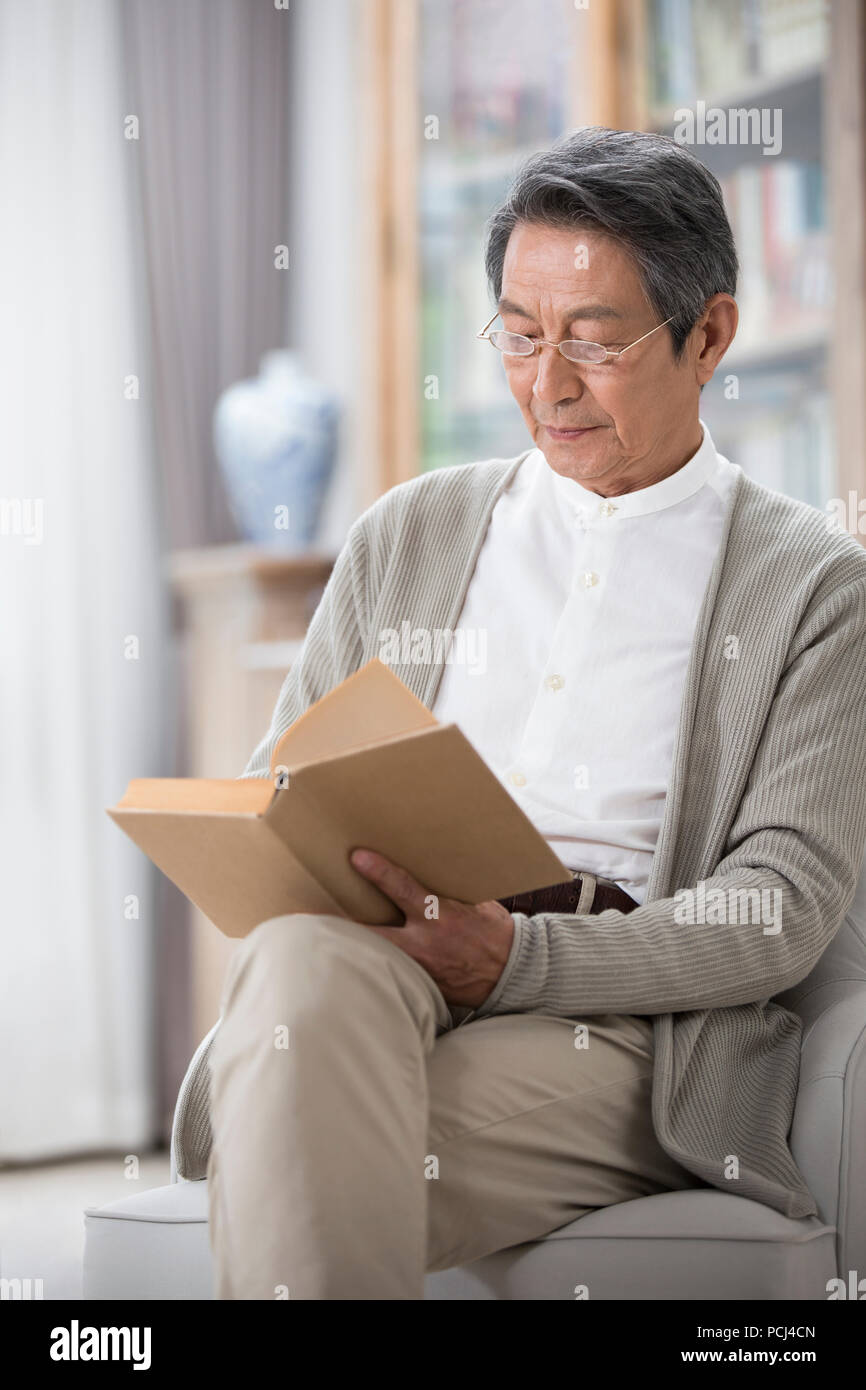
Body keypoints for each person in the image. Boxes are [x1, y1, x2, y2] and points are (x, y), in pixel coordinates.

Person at [176, 128, 866, 1299]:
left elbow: (780, 909)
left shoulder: (811, 586)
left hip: (630, 1031)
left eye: (590, 342)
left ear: (707, 336)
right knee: (296, 956)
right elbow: (278, 787)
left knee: (299, 1137)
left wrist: (515, 959)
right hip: (381, 962)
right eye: (517, 334)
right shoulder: (407, 532)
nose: (545, 385)